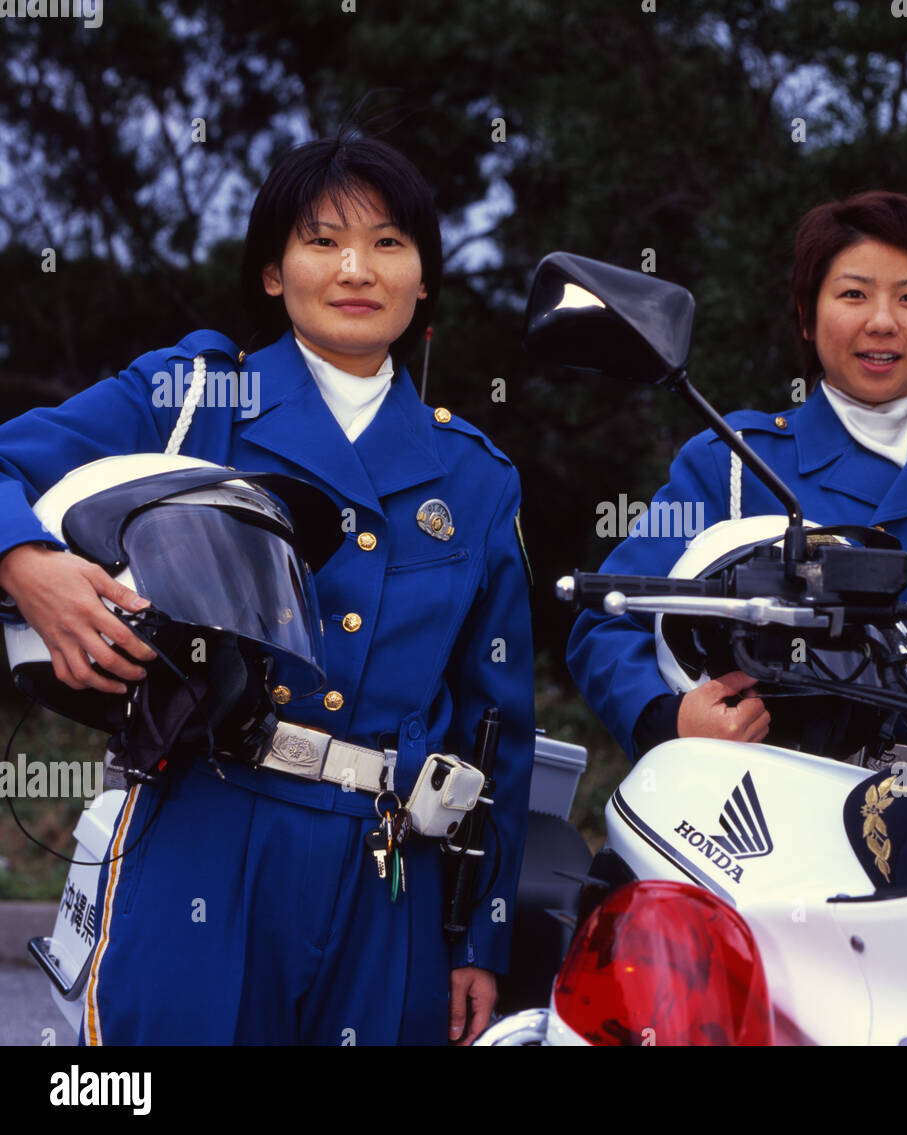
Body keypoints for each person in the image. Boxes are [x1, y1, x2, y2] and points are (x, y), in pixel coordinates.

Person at [0, 135, 534, 1044]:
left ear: (424, 279)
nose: (356, 268)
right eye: (321, 240)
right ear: (274, 273)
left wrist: (481, 932)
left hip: (390, 875)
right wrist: (27, 562)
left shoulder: (476, 477)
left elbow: (499, 722)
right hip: (206, 823)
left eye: (390, 242)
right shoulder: (195, 398)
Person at [567, 190, 907, 761]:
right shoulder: (730, 460)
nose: (882, 322)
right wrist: (667, 718)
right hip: (775, 824)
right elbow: (607, 618)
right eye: (854, 294)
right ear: (807, 315)